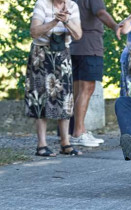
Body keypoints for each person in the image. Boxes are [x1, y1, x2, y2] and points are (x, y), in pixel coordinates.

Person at [25, 0, 82, 156]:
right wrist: (55, 21)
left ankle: (65, 143)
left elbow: (78, 35)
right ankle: (41, 144)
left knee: (65, 98)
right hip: (41, 54)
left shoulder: (72, 6)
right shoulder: (41, 4)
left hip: (62, 54)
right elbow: (34, 32)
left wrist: (67, 20)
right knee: (40, 97)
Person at [70, 0, 121, 147]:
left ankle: (79, 130)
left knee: (78, 91)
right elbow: (100, 12)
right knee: (87, 89)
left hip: (75, 46)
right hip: (90, 46)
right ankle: (78, 133)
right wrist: (115, 26)